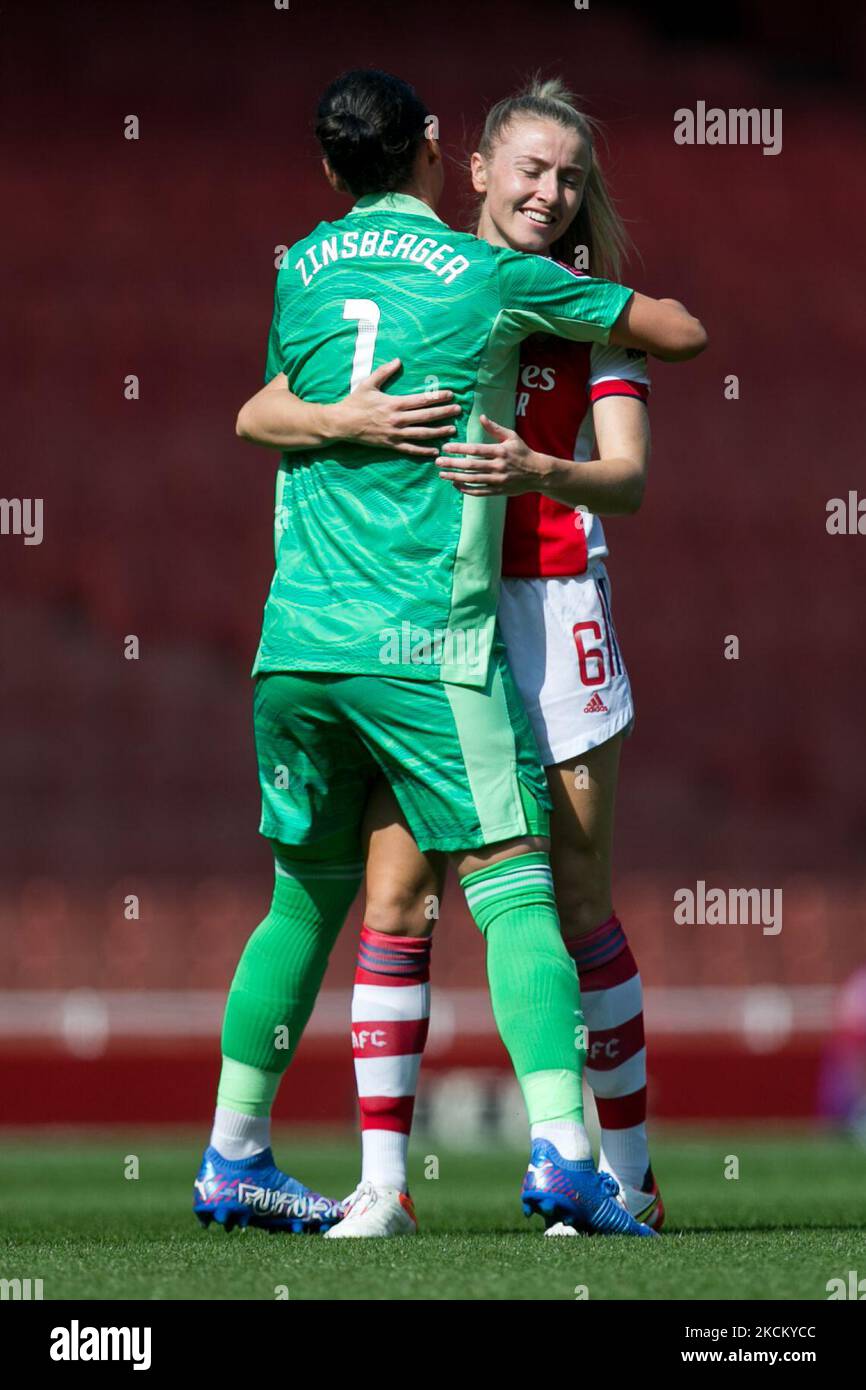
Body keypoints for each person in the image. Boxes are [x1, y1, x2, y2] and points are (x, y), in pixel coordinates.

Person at [194, 68, 706, 1239]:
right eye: (529, 168)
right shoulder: (481, 281)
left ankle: (621, 1170)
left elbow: (641, 421)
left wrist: (537, 470)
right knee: (425, 894)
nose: (548, 191)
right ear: (460, 161)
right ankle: (417, 1176)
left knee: (562, 895)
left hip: (465, 612)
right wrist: (347, 418)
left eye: (570, 178)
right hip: (434, 630)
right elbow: (259, 410)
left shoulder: (324, 268)